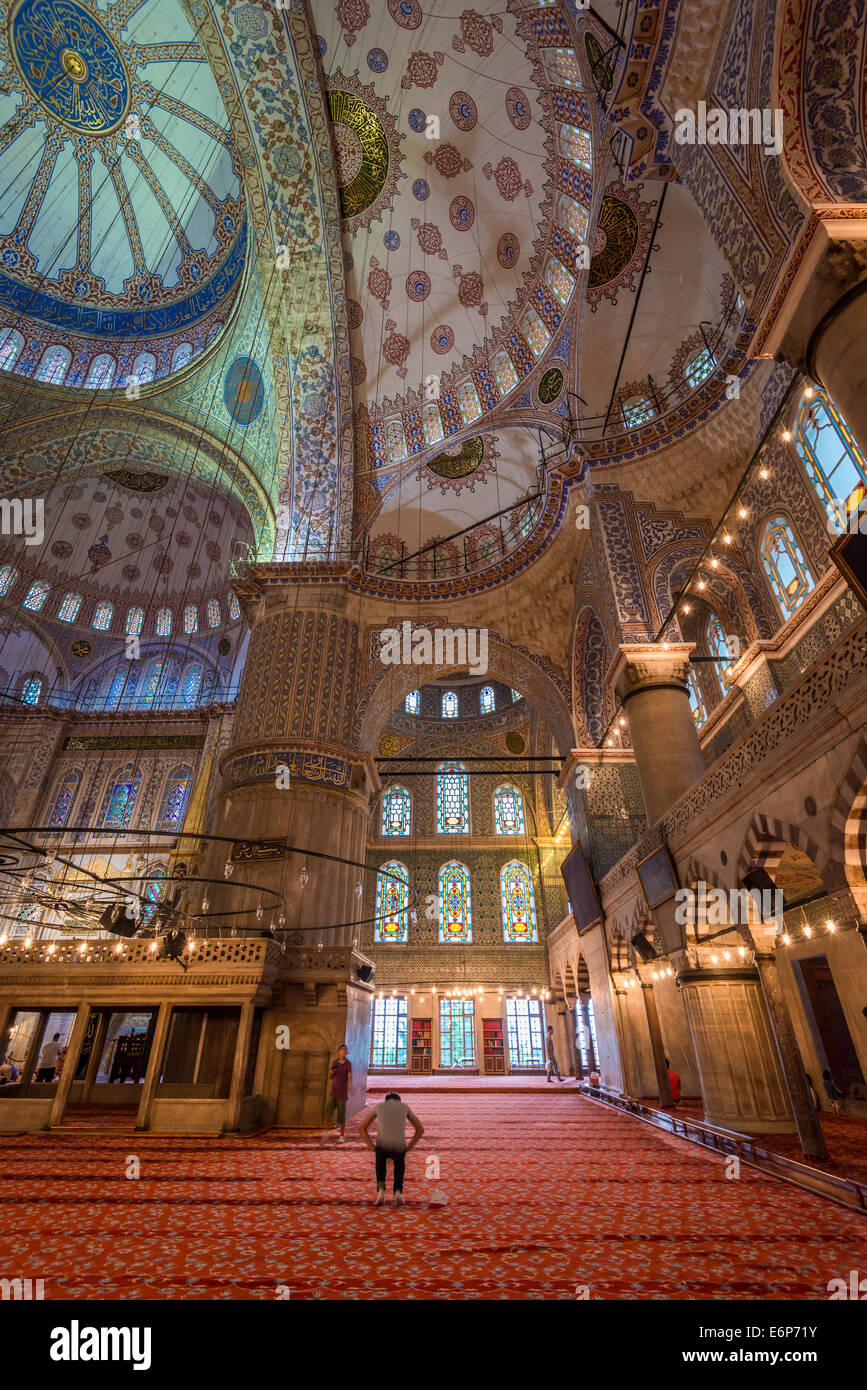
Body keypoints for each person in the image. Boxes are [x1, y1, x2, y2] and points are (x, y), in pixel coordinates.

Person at [359, 1091, 424, 1207]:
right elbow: (420, 1129)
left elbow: (362, 1127)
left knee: (380, 1167)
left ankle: (381, 1192)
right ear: (398, 1101)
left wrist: (371, 1146)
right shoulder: (404, 1107)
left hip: (382, 1145)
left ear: (386, 1101)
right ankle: (398, 1191)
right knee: (399, 1168)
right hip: (399, 1145)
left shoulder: (379, 1106)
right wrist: (410, 1146)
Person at [325, 1043, 352, 1142]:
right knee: (328, 1113)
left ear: (347, 1052)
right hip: (333, 1092)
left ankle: (341, 1136)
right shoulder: (335, 1063)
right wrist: (332, 1072)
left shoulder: (348, 1063)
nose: (343, 1051)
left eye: (345, 1050)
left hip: (342, 1093)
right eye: (342, 1050)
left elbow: (349, 1076)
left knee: (341, 1116)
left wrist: (350, 1087)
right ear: (338, 1052)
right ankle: (327, 1134)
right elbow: (330, 1076)